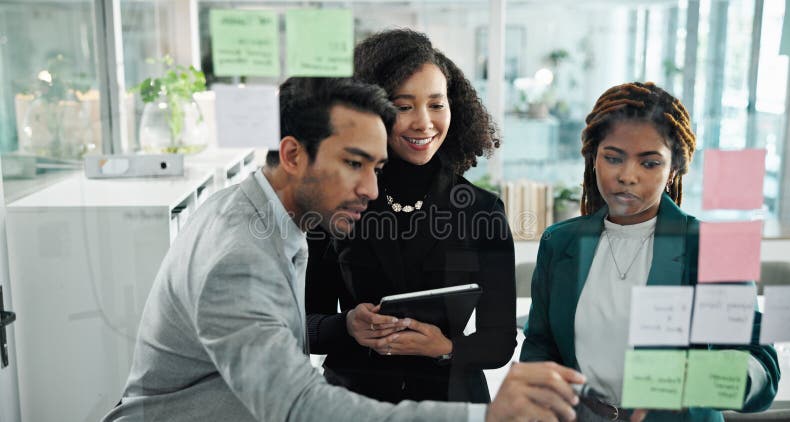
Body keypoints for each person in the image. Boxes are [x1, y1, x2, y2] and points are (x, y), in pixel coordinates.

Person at [102, 77, 585, 422]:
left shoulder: (267, 217)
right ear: (293, 155)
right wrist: (484, 417)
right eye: (354, 164)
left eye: (377, 168)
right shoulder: (240, 258)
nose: (371, 190)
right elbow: (297, 405)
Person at [520, 81, 781, 421]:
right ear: (594, 158)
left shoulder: (714, 247)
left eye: (649, 163)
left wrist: (700, 376)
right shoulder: (559, 242)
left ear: (673, 170)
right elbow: (540, 348)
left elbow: (761, 366)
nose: (627, 176)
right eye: (613, 158)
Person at [305, 29, 516, 404]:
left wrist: (445, 347)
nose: (424, 122)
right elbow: (302, 325)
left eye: (436, 104)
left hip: (451, 403)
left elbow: (499, 341)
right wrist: (346, 325)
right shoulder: (333, 205)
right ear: (368, 113)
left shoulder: (481, 210)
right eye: (403, 107)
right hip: (355, 403)